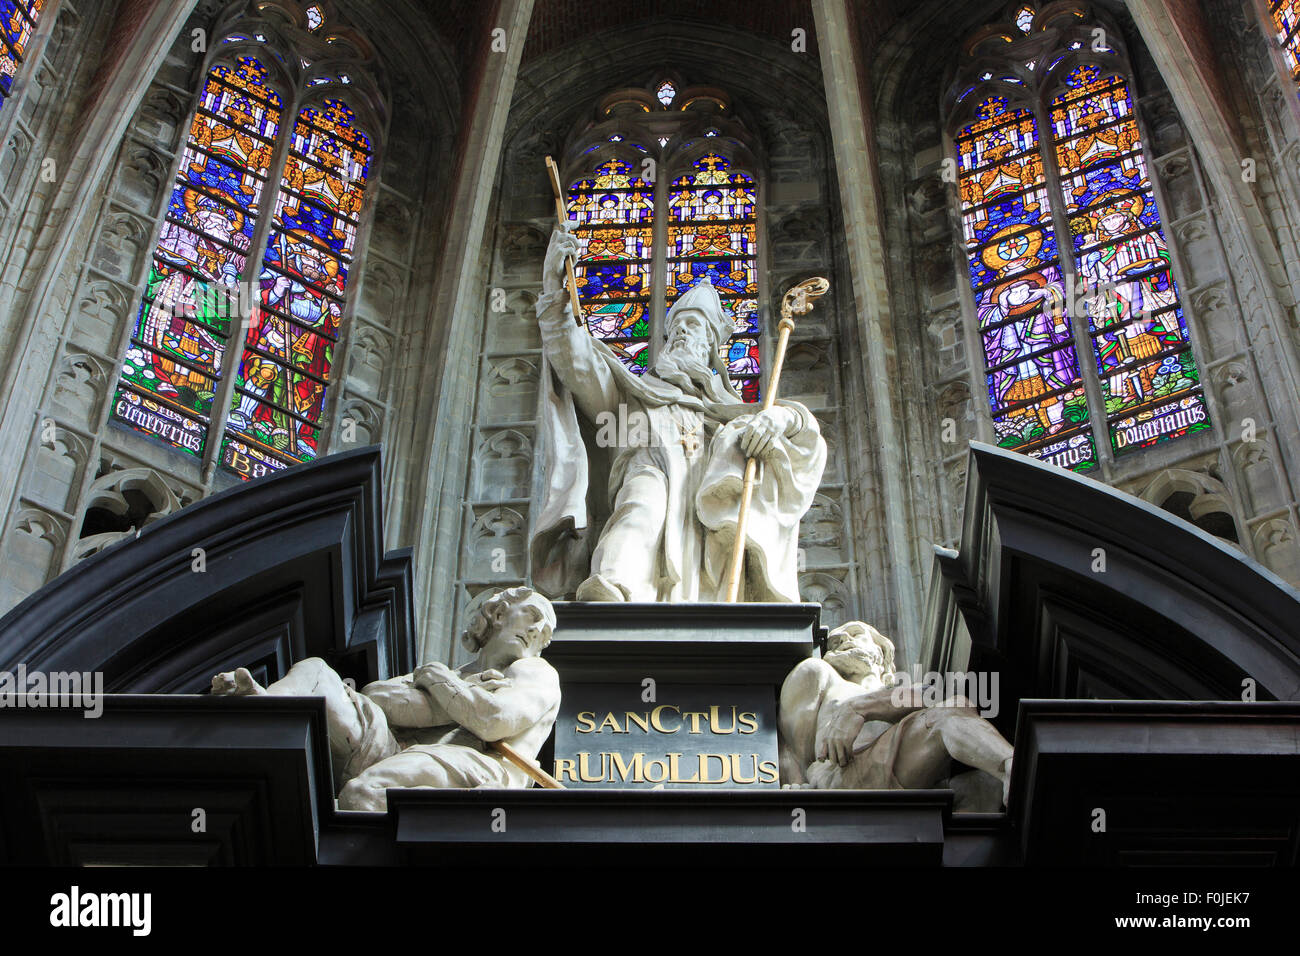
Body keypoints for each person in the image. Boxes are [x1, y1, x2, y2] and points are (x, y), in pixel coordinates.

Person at [532, 223, 826, 602]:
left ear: (711, 348)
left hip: (707, 520)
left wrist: (778, 419)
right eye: (676, 329)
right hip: (647, 473)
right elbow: (579, 365)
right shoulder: (633, 393)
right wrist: (555, 292)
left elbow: (803, 429)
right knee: (641, 508)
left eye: (693, 327)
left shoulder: (728, 414)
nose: (682, 335)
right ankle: (612, 588)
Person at [211, 587, 561, 811]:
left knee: (365, 794)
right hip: (394, 745)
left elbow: (493, 720)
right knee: (316, 672)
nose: (536, 630)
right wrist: (454, 694)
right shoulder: (454, 671)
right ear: (498, 614)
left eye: (543, 631)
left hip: (472, 764)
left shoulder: (536, 672)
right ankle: (265, 709)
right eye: (533, 616)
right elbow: (376, 695)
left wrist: (438, 685)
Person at [778, 622, 1014, 807]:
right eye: (836, 641)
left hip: (897, 772)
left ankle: (1012, 769)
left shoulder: (895, 692)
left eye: (855, 633)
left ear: (882, 655)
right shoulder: (821, 674)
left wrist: (858, 708)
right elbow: (791, 746)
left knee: (986, 783)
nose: (843, 641)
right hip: (839, 777)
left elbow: (939, 699)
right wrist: (796, 786)